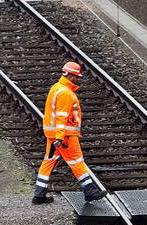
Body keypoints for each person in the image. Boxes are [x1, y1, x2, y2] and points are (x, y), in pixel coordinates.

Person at [32, 61, 107, 204]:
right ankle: (90, 191)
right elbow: (61, 116)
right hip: (65, 137)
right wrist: (60, 137)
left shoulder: (56, 88)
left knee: (49, 162)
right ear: (71, 76)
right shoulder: (66, 93)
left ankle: (39, 195)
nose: (79, 79)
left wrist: (56, 136)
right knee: (77, 161)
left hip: (52, 135)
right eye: (77, 77)